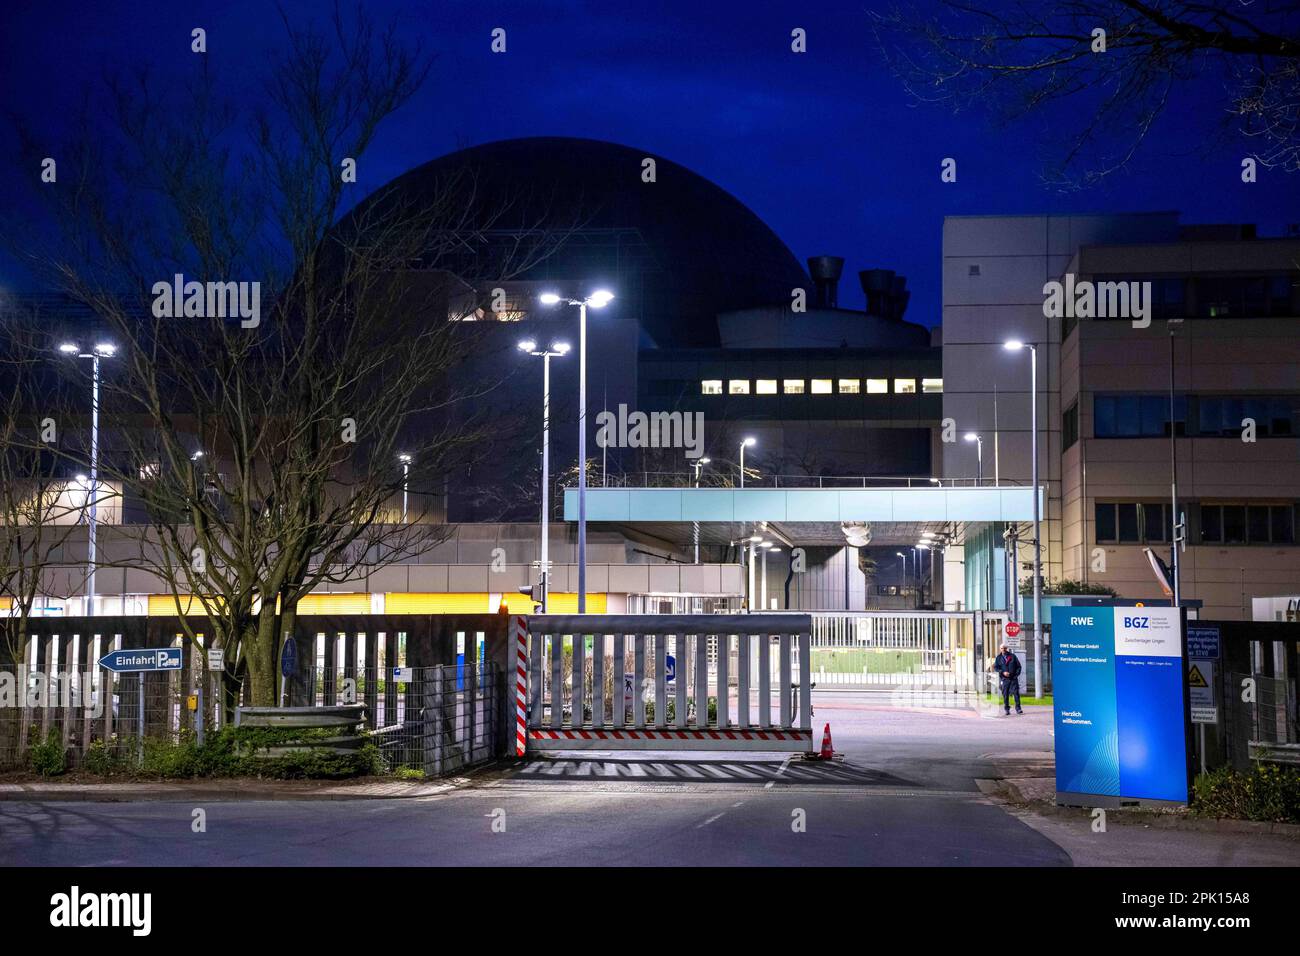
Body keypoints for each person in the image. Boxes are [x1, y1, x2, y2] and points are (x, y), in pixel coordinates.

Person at [993, 642, 1023, 715]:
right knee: (1005, 694)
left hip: (1013, 678)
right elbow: (996, 668)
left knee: (1016, 694)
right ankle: (1007, 709)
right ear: (1000, 649)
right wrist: (1003, 672)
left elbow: (1019, 667)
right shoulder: (998, 658)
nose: (1003, 649)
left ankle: (1018, 709)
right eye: (1002, 648)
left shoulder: (1013, 656)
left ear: (1007, 648)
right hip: (1004, 679)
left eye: (1005, 648)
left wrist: (1016, 675)